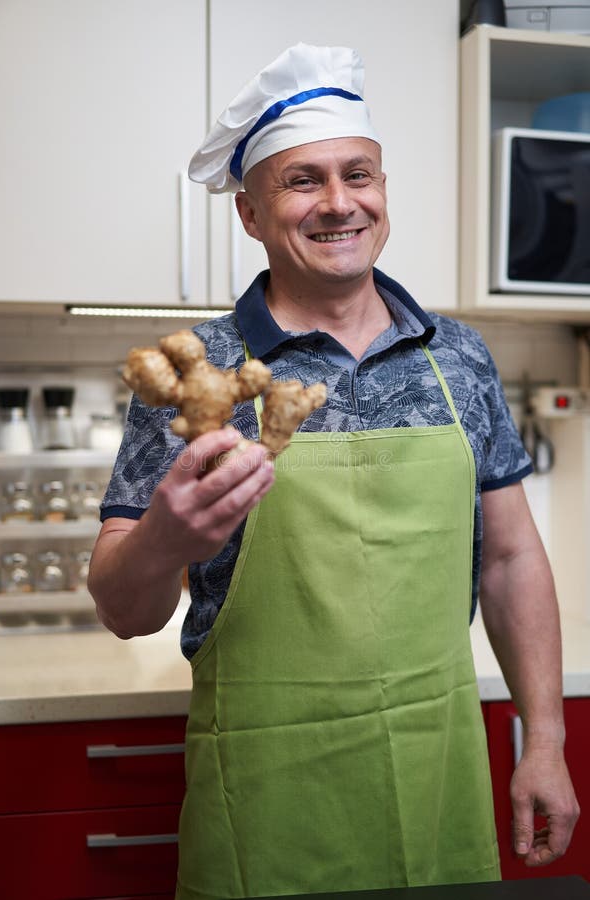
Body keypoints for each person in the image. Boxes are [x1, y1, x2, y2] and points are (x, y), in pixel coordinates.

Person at [88, 43, 579, 900]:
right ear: (249, 212)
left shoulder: (457, 355)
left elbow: (509, 560)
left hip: (437, 776)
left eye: (360, 174)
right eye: (302, 180)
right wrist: (164, 536)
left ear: (384, 189)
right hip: (265, 794)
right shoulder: (200, 370)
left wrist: (544, 739)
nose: (340, 202)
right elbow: (126, 612)